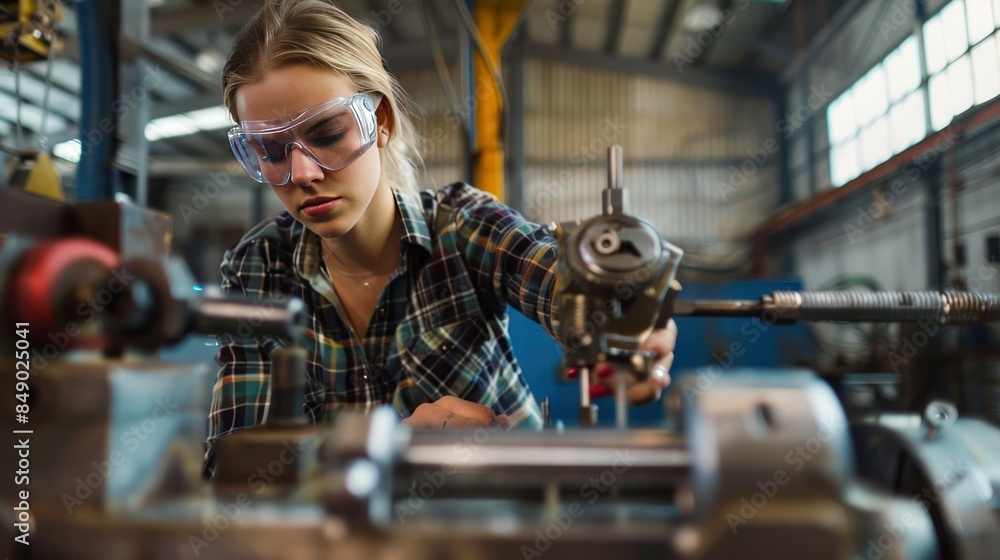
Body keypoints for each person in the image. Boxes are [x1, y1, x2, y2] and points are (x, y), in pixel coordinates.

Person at [206, 0, 677, 470]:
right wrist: (388, 444)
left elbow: (552, 274)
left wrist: (624, 323)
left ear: (381, 123)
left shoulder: (466, 227)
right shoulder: (257, 267)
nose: (302, 172)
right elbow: (233, 466)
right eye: (269, 149)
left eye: (328, 133)